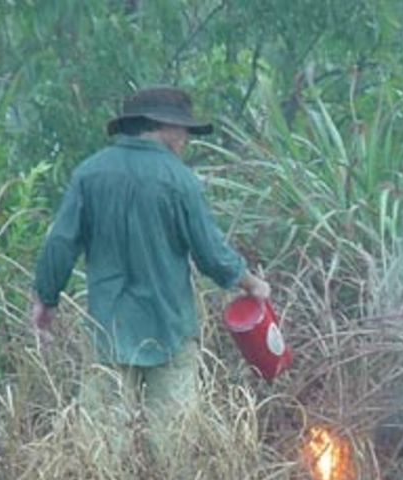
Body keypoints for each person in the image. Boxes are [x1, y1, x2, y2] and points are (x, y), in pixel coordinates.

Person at [30, 85, 270, 456]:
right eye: (184, 129)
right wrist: (251, 283)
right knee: (175, 442)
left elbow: (60, 243)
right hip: (169, 329)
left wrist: (46, 300)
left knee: (102, 447)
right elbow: (211, 255)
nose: (187, 138)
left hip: (108, 330)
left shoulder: (89, 174)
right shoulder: (180, 180)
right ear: (161, 125)